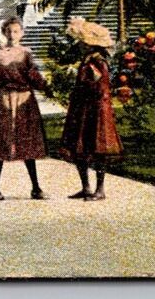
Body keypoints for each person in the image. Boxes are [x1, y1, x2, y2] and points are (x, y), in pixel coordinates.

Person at [0, 16, 48, 200]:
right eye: (8, 31)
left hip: (24, 99)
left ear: (22, 33)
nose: (12, 35)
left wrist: (46, 85)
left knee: (26, 140)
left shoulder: (26, 52)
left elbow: (33, 74)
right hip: (4, 99)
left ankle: (35, 187)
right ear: (3, 32)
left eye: (16, 31)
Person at [59, 17, 122, 200]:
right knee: (80, 145)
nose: (78, 45)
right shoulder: (87, 61)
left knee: (97, 147)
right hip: (83, 107)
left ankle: (99, 188)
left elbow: (99, 87)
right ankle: (86, 186)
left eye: (81, 42)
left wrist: (83, 84)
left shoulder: (97, 62)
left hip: (95, 108)